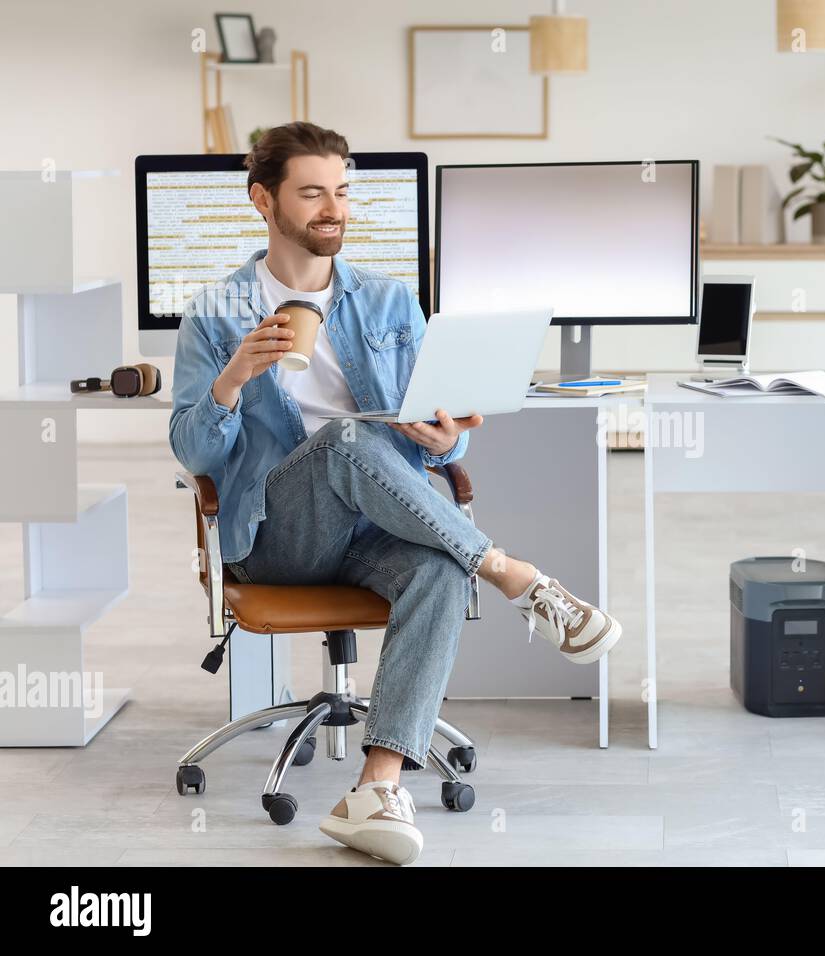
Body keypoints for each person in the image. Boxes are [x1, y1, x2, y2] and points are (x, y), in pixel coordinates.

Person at [168, 122, 621, 865]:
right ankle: (516, 576)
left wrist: (449, 441)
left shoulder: (387, 301)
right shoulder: (216, 314)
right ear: (263, 200)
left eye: (342, 192)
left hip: (377, 524)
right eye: (312, 192)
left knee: (439, 567)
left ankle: (376, 790)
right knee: (346, 440)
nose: (333, 209)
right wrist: (235, 377)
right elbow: (194, 453)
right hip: (280, 536)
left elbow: (439, 424)